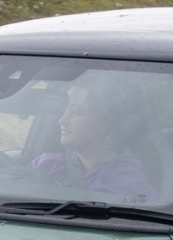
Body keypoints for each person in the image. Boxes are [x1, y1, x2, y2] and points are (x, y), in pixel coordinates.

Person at [30, 73, 156, 201]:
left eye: (76, 111)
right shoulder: (47, 163)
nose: (62, 120)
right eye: (64, 110)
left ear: (104, 123)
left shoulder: (127, 182)